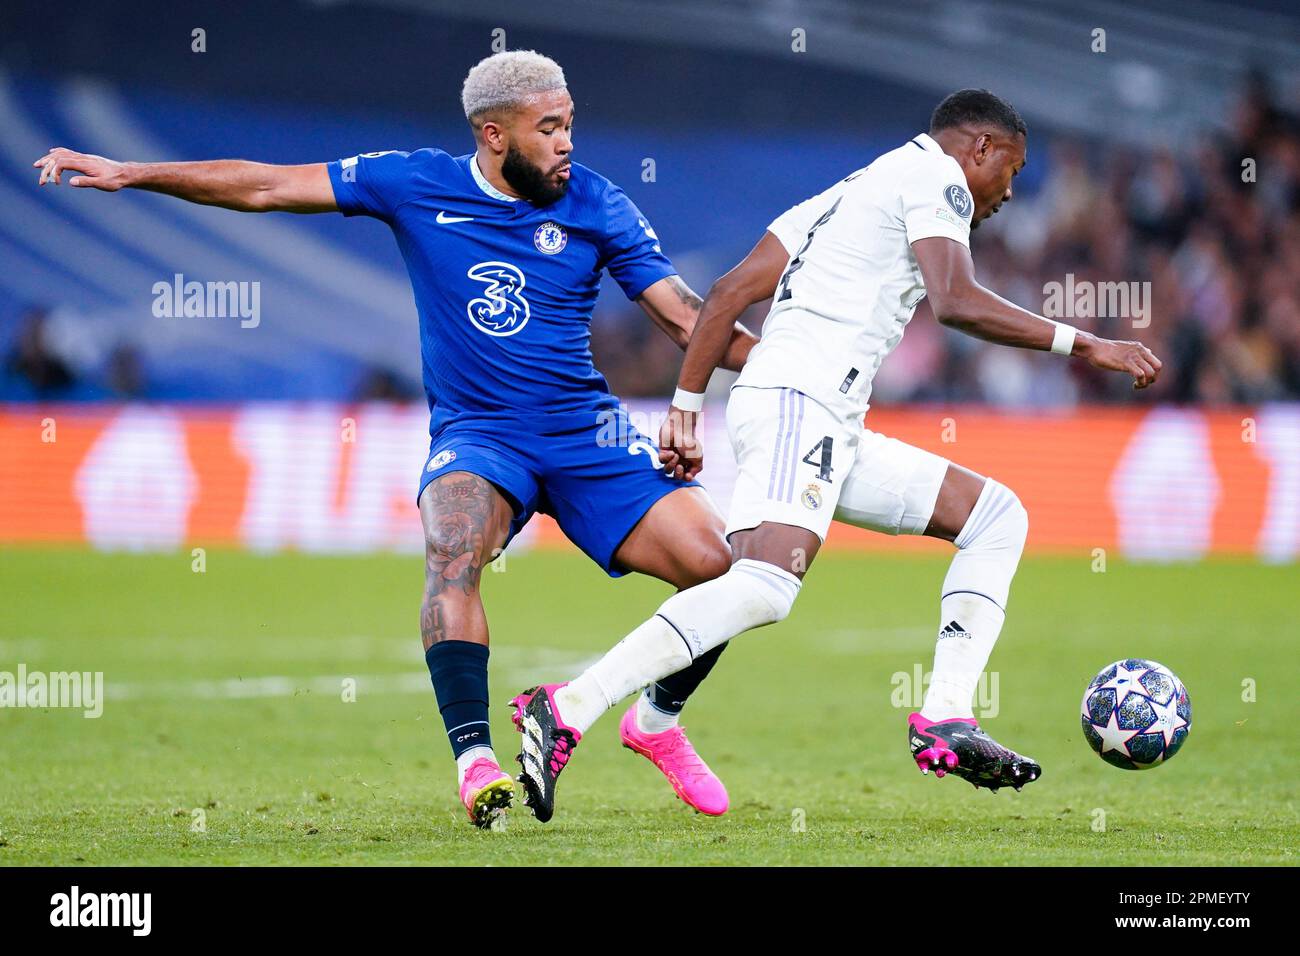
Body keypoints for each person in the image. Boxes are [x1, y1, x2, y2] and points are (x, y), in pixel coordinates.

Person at [34, 50, 766, 828]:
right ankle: (476, 758)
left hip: (583, 430)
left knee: (723, 569)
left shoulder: (595, 201)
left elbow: (688, 318)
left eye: (570, 125)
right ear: (493, 134)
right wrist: (132, 172)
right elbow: (266, 184)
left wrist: (798, 372)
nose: (566, 143)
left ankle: (654, 722)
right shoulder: (414, 181)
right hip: (479, 436)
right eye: (548, 128)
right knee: (452, 551)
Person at [511, 89, 1163, 822]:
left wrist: (689, 408)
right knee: (766, 586)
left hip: (822, 414)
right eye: (1010, 171)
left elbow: (727, 291)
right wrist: (1089, 342)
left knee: (995, 517)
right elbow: (956, 301)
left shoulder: (854, 188)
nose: (1009, 193)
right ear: (978, 149)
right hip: (799, 401)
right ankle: (567, 706)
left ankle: (944, 714)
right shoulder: (936, 180)